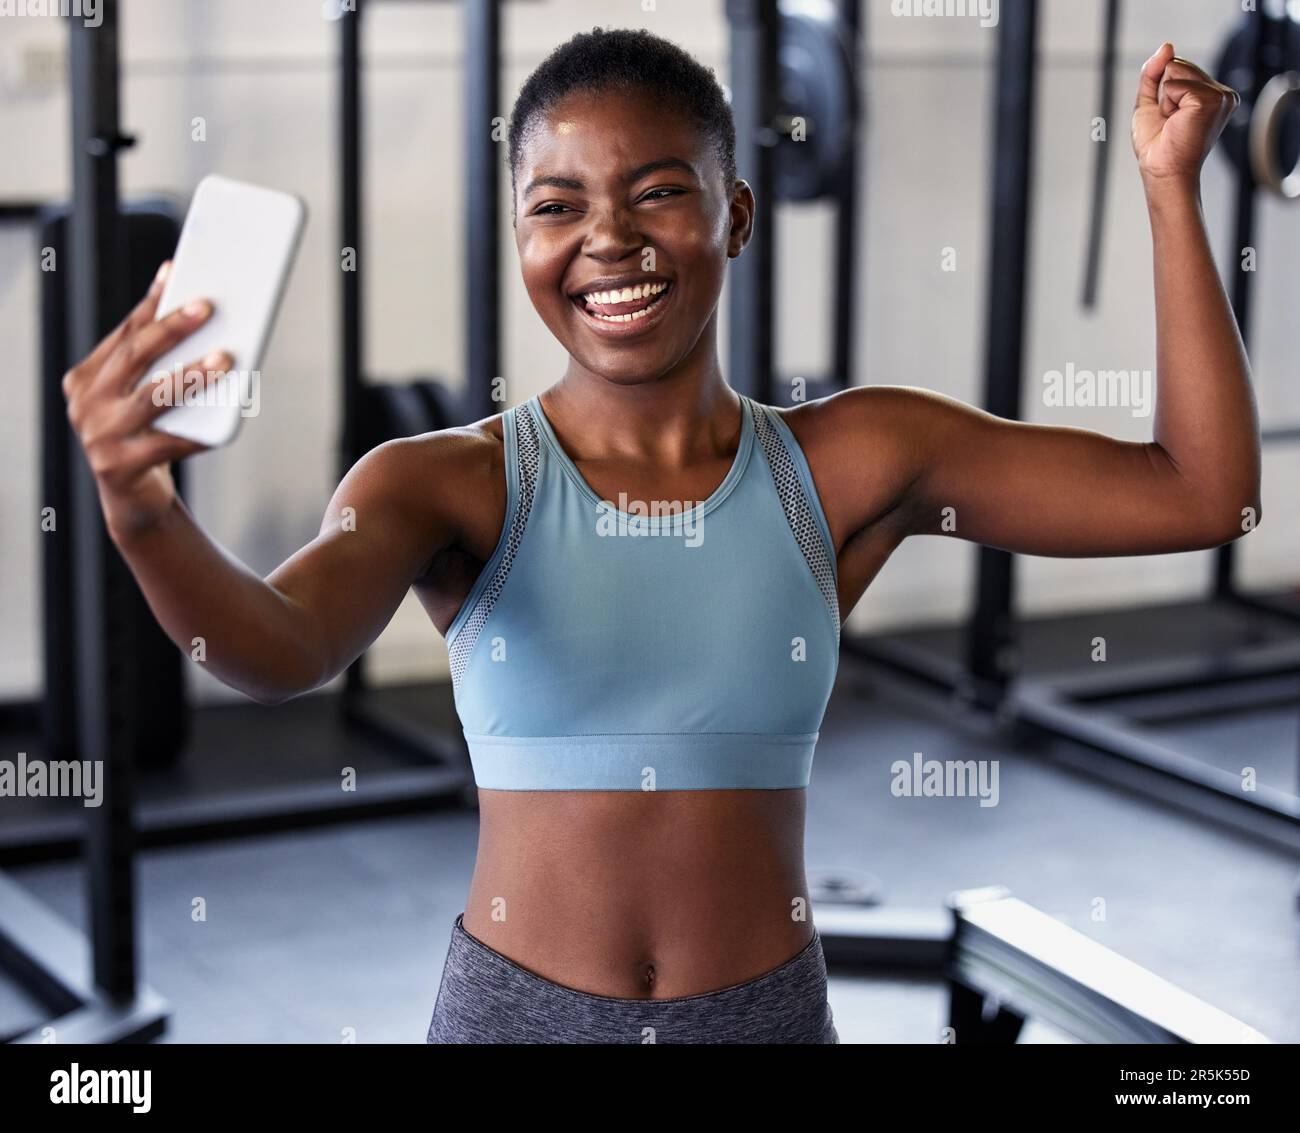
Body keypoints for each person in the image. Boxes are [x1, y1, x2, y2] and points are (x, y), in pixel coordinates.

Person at [61, 28, 1259, 1044]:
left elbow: (1199, 496)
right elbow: (273, 651)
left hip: (764, 1014)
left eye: (658, 191)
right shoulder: (446, 482)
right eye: (557, 205)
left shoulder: (851, 463)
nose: (608, 238)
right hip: (512, 1013)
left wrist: (1167, 186)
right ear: (524, 238)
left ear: (734, 214)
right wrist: (140, 508)